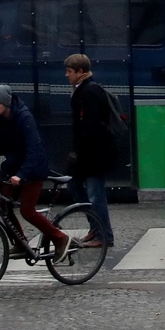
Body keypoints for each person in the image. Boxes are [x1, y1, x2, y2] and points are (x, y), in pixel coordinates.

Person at [0, 85, 69, 258]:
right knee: (3, 206)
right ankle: (21, 243)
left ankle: (61, 238)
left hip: (33, 170)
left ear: (6, 103)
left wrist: (22, 175)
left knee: (27, 211)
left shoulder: (24, 118)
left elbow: (34, 150)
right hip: (14, 169)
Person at [65, 54, 121, 250]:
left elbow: (92, 126)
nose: (66, 75)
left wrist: (77, 151)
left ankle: (104, 235)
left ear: (81, 72)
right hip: (89, 153)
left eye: (69, 72)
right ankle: (96, 228)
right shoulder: (83, 89)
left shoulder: (90, 92)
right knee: (74, 186)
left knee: (95, 195)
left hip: (95, 154)